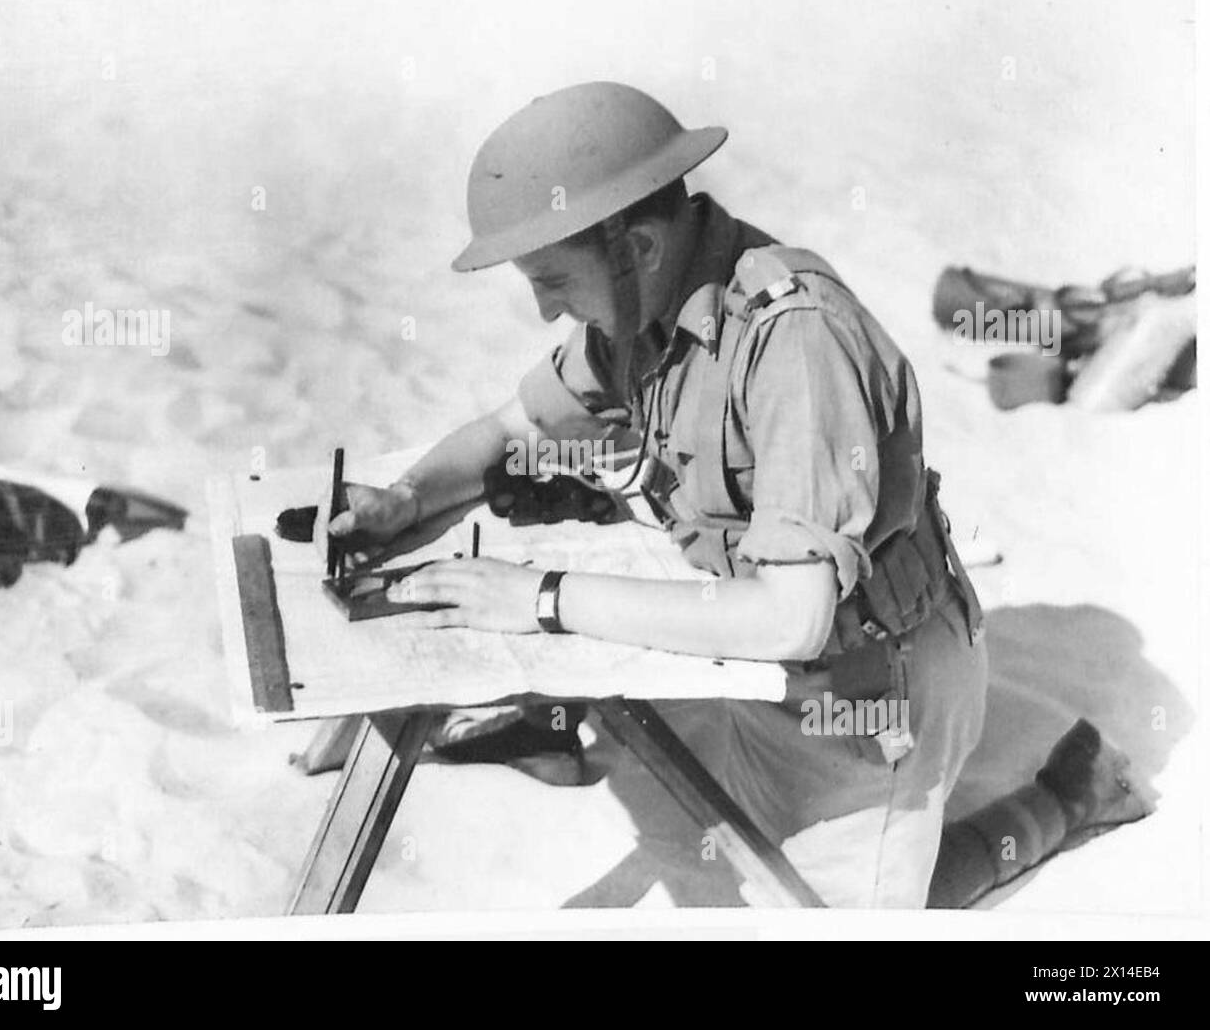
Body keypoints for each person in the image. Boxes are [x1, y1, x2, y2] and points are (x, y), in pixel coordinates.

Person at [317, 81, 991, 907]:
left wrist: (542, 597)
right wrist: (408, 497)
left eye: (553, 280)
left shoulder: (794, 341)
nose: (544, 310)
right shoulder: (646, 310)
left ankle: (1059, 804)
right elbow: (513, 425)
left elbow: (794, 616)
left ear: (635, 247)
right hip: (760, 683)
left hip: (866, 702)